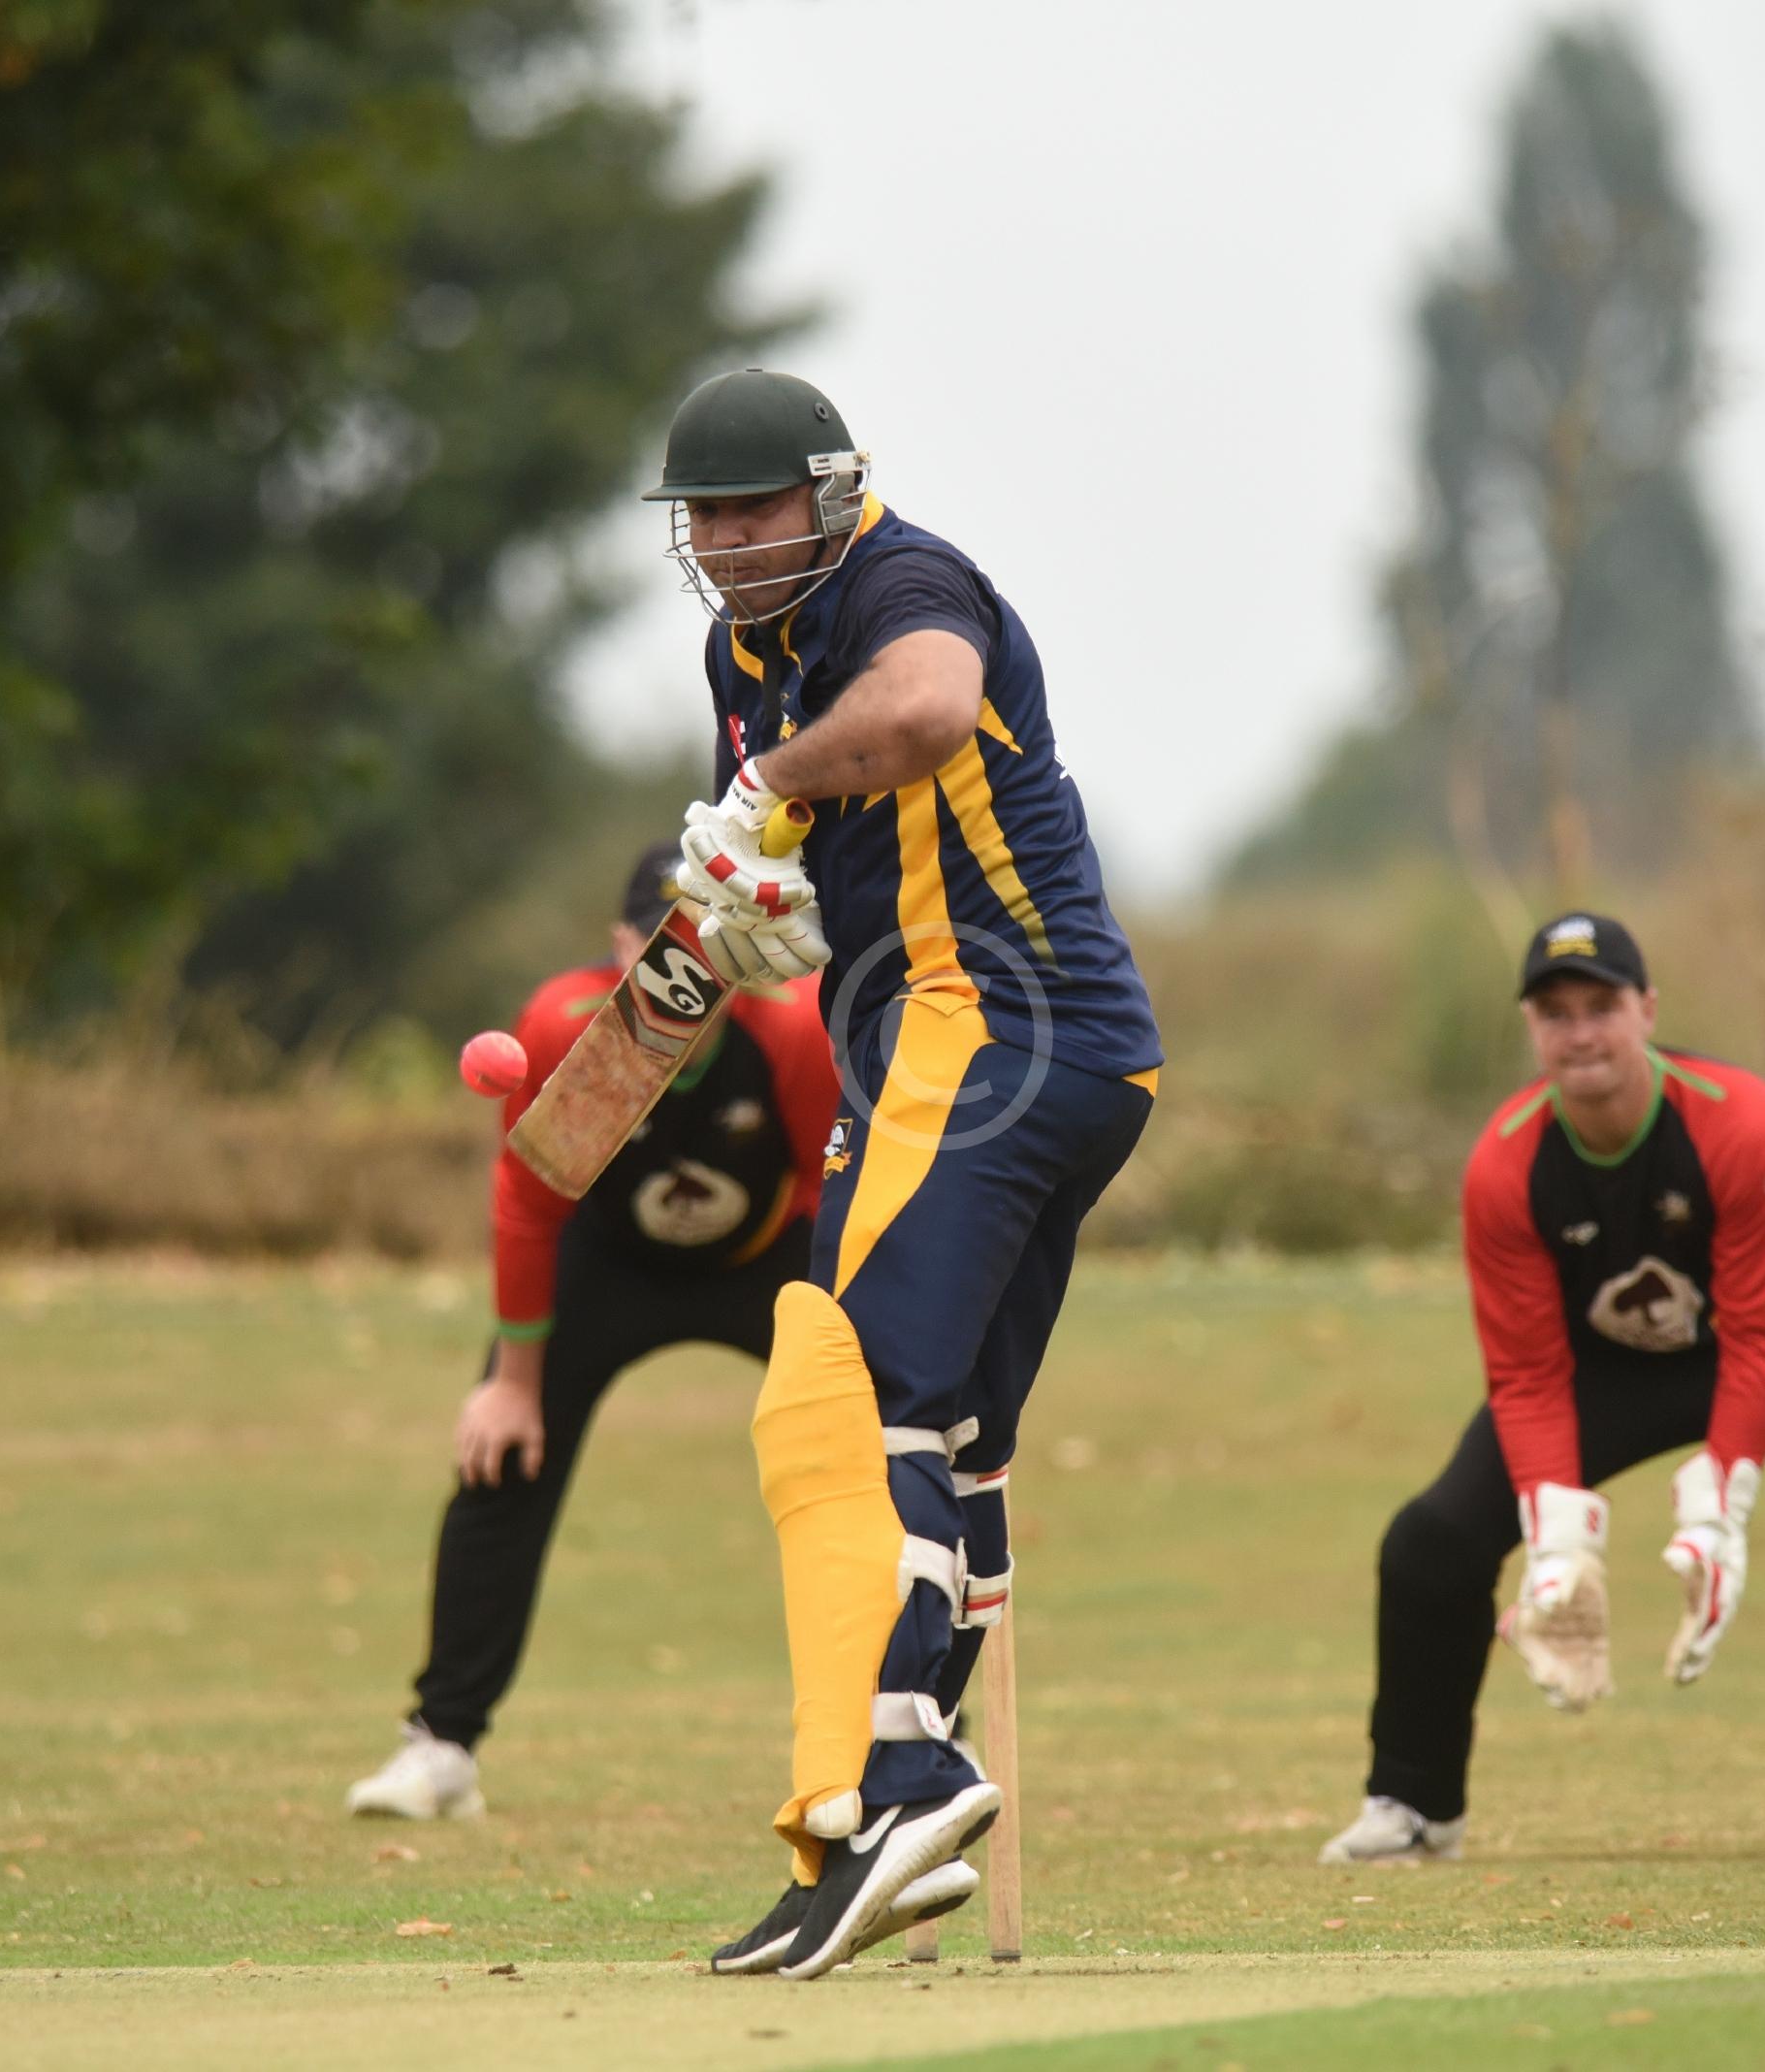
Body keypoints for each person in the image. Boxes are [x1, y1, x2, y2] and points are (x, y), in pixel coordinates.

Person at [642, 369, 1164, 1979]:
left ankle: (899, 1779)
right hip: (984, 1045)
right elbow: (793, 846)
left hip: (992, 1020)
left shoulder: (905, 579)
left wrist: (769, 792)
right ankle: (872, 1827)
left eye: (753, 510)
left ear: (829, 492)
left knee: (840, 1386)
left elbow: (926, 712)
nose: (727, 542)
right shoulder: (742, 654)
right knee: (939, 1435)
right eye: (702, 518)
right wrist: (751, 910)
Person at [1321, 914, 1765, 1866]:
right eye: (1555, 1013)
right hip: (1603, 1358)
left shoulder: (1741, 1119)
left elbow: (1759, 1337)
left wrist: (1717, 1515)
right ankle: (1411, 1804)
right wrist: (1558, 1550)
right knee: (1430, 1542)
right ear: (1531, 1028)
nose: (1580, 1033)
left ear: (1646, 1010)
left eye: (1600, 1006)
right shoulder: (1504, 1164)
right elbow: (1526, 1374)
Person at [346, 843, 840, 1821]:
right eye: (662, 946)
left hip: (772, 1256)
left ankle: (917, 1732)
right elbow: (529, 1203)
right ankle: (441, 1747)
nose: (689, 971)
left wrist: (862, 1359)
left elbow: (837, 1194)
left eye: (714, 945)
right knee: (501, 1455)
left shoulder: (793, 1027)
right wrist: (512, 1383)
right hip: (607, 1259)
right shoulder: (565, 1025)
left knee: (876, 1453)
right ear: (621, 946)